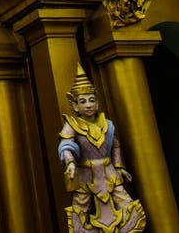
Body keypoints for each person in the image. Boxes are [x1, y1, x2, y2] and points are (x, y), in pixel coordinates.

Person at [58, 65, 146, 233]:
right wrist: (70, 162)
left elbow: (115, 145)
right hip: (85, 172)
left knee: (124, 200)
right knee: (81, 204)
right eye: (83, 101)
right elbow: (65, 143)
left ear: (97, 102)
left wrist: (119, 167)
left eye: (91, 100)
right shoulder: (73, 125)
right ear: (74, 105)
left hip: (108, 170)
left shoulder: (107, 124)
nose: (88, 105)